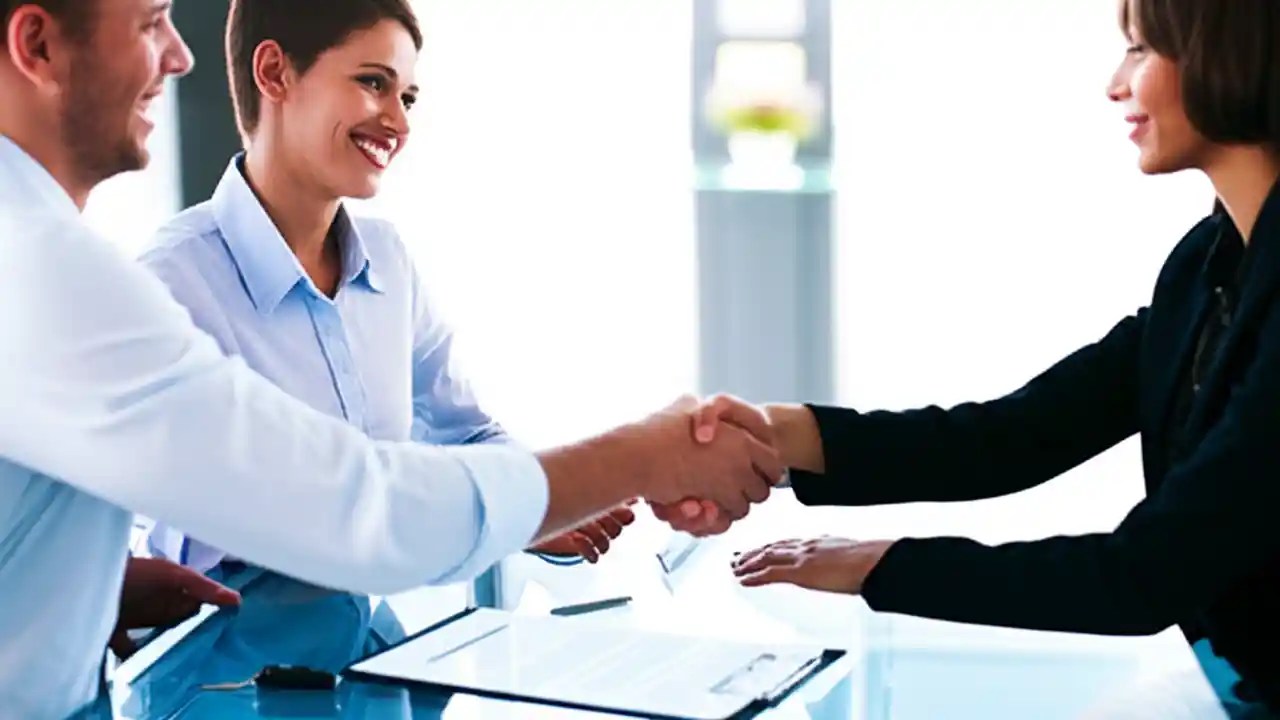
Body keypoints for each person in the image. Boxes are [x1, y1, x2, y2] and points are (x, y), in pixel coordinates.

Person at [0, 1, 779, 716]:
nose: (179, 56)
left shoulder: (45, 256)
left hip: (340, 649)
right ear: (36, 44)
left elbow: (448, 436)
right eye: (150, 23)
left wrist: (86, 583)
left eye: (407, 94)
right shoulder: (79, 274)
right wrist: (643, 456)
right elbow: (358, 507)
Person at [667, 0, 1280, 710]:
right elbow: (1014, 435)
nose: (1115, 85)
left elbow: (1141, 577)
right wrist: (774, 437)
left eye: (1140, 50)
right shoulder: (1206, 265)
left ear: (1230, 56)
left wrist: (877, 564)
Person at [137, 0, 634, 649]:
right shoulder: (172, 283)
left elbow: (463, 431)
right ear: (275, 73)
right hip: (222, 669)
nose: (398, 122)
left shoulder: (388, 262)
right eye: (373, 82)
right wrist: (524, 502)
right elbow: (264, 515)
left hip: (372, 648)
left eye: (409, 97)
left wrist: (538, 503)